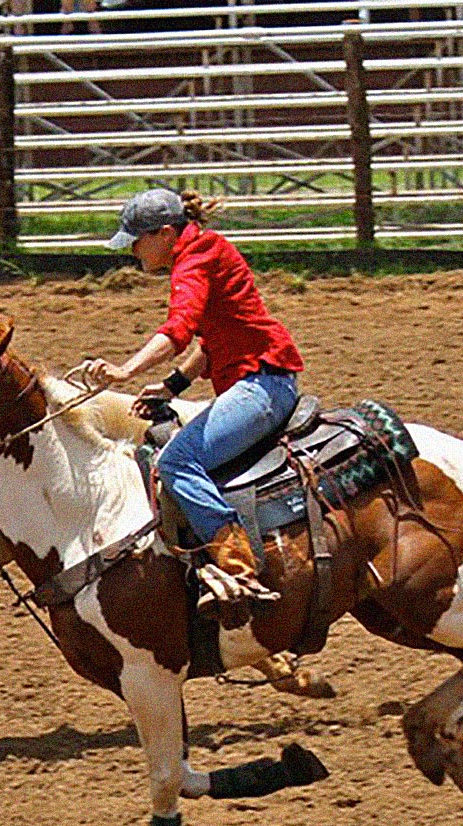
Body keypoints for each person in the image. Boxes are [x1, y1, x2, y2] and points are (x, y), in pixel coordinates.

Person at [81, 187, 306, 624]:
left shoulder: (194, 259)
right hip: (261, 379)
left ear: (165, 233)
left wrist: (126, 371)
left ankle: (238, 565)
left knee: (178, 462)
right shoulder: (204, 250)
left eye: (137, 240)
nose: (132, 251)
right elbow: (212, 339)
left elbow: (180, 329)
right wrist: (172, 386)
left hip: (261, 384)